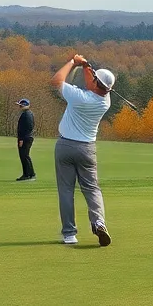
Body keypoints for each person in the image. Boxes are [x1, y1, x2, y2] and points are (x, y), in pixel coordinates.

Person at [50, 54, 114, 246]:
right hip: (87, 149)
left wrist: (72, 62)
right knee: (92, 189)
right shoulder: (105, 101)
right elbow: (94, 84)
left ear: (96, 82)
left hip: (65, 147)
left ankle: (69, 234)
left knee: (66, 190)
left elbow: (57, 80)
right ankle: (99, 222)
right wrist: (86, 66)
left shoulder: (79, 97)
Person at [15, 98, 36, 181]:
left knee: (24, 156)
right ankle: (30, 173)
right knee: (25, 156)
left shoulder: (26, 115)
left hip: (25, 138)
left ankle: (27, 174)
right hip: (27, 137)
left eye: (20, 105)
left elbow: (26, 128)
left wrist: (21, 139)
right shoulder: (28, 113)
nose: (19, 106)